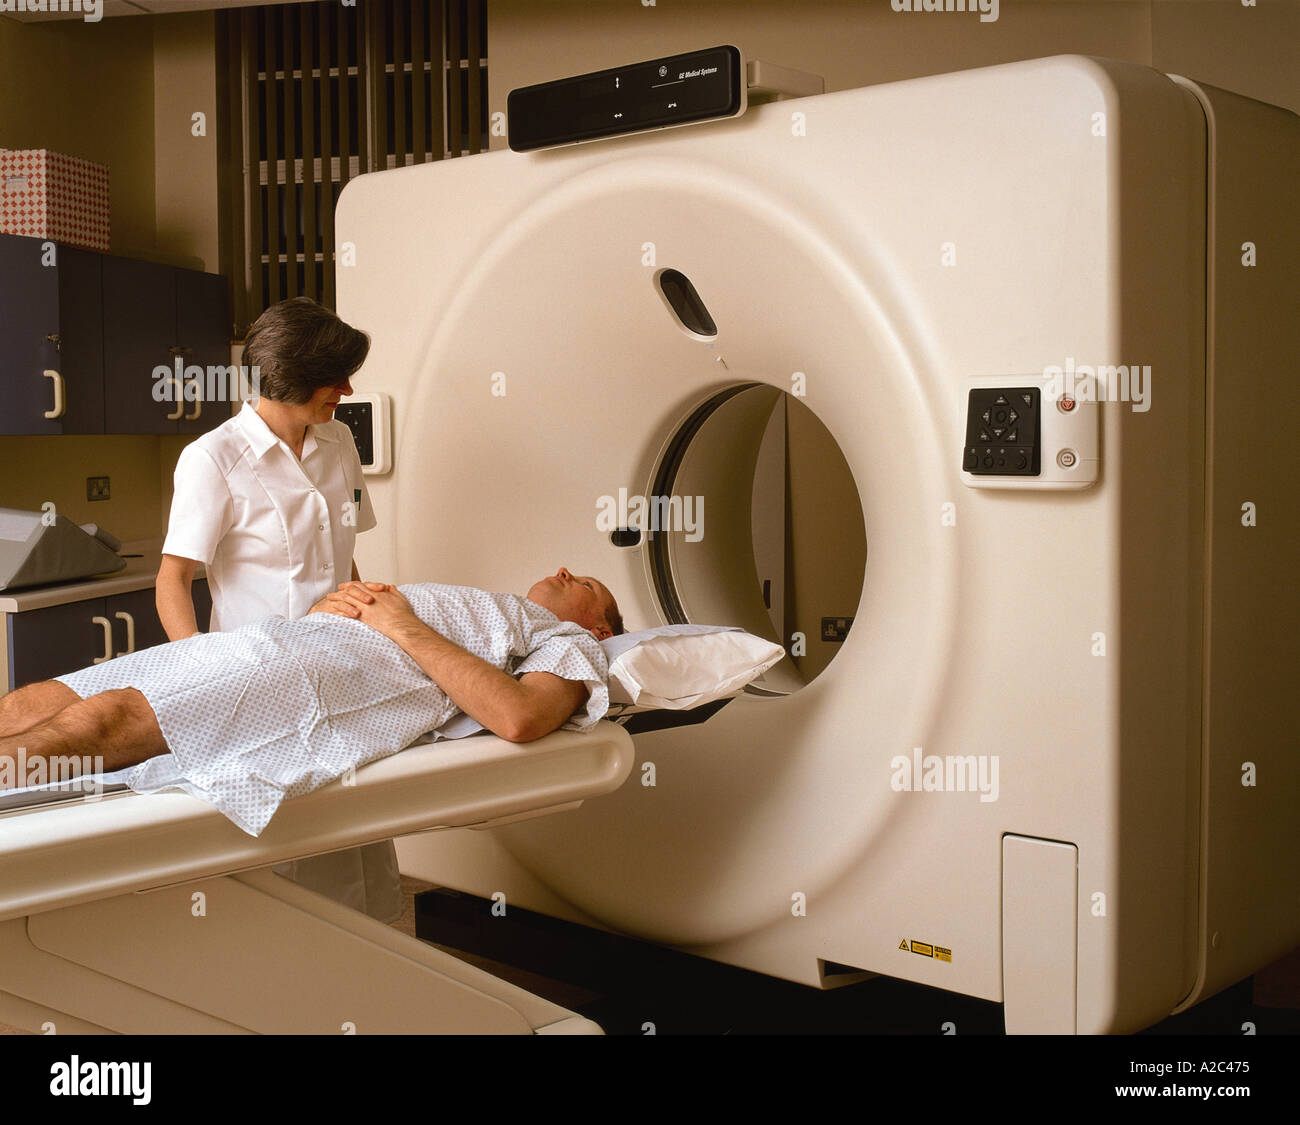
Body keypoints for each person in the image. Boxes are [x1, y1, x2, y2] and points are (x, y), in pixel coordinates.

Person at [0, 569, 623, 839]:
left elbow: (517, 717)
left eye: (588, 584)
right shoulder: (491, 603)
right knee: (34, 702)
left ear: (598, 629)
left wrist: (401, 624)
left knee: (106, 721)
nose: (566, 571)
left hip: (316, 677)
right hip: (275, 640)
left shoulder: (564, 644)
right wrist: (336, 607)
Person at [153, 295, 385, 910]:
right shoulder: (214, 458)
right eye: (333, 376)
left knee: (352, 815)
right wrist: (201, 668)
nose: (347, 386)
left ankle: (374, 965)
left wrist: (370, 617)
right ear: (288, 376)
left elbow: (346, 553)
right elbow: (173, 577)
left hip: (338, 658)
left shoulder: (338, 443)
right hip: (256, 674)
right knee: (288, 836)